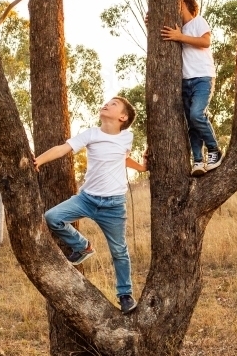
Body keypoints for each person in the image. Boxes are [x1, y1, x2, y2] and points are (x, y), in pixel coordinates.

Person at [34, 96, 146, 315]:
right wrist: (38, 160)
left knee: (119, 251)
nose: (107, 104)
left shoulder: (127, 137)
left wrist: (141, 168)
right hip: (86, 199)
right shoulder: (91, 134)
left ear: (123, 117)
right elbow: (61, 149)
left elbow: (121, 158)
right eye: (107, 102)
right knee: (52, 217)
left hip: (113, 205)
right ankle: (82, 246)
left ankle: (125, 295)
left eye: (114, 104)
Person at [161, 0, 223, 177]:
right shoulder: (176, 28)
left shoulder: (198, 21)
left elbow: (206, 42)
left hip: (203, 77)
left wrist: (180, 37)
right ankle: (197, 160)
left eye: (178, 4)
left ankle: (214, 150)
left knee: (197, 114)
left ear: (187, 7)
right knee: (192, 123)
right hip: (185, 80)